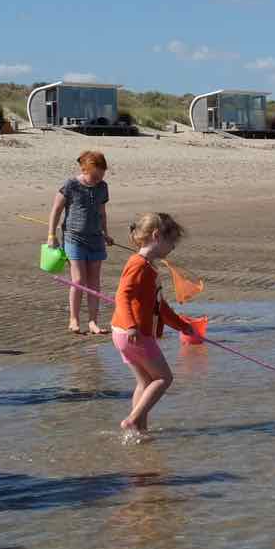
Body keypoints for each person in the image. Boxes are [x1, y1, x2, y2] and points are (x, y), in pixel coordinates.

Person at [110, 213, 196, 436]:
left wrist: (181, 326)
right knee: (164, 378)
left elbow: (160, 306)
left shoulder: (148, 266)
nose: (173, 248)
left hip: (124, 333)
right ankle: (132, 420)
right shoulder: (138, 264)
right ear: (157, 236)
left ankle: (139, 429)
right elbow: (122, 296)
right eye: (172, 242)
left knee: (146, 381)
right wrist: (131, 326)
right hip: (134, 333)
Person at [47, 150, 113, 334]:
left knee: (94, 282)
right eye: (95, 175)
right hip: (73, 238)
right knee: (78, 280)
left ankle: (93, 321)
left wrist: (106, 233)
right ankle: (74, 319)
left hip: (96, 239)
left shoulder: (102, 187)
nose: (98, 179)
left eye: (101, 175)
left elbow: (102, 212)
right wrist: (51, 236)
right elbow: (56, 210)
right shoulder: (71, 185)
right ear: (85, 169)